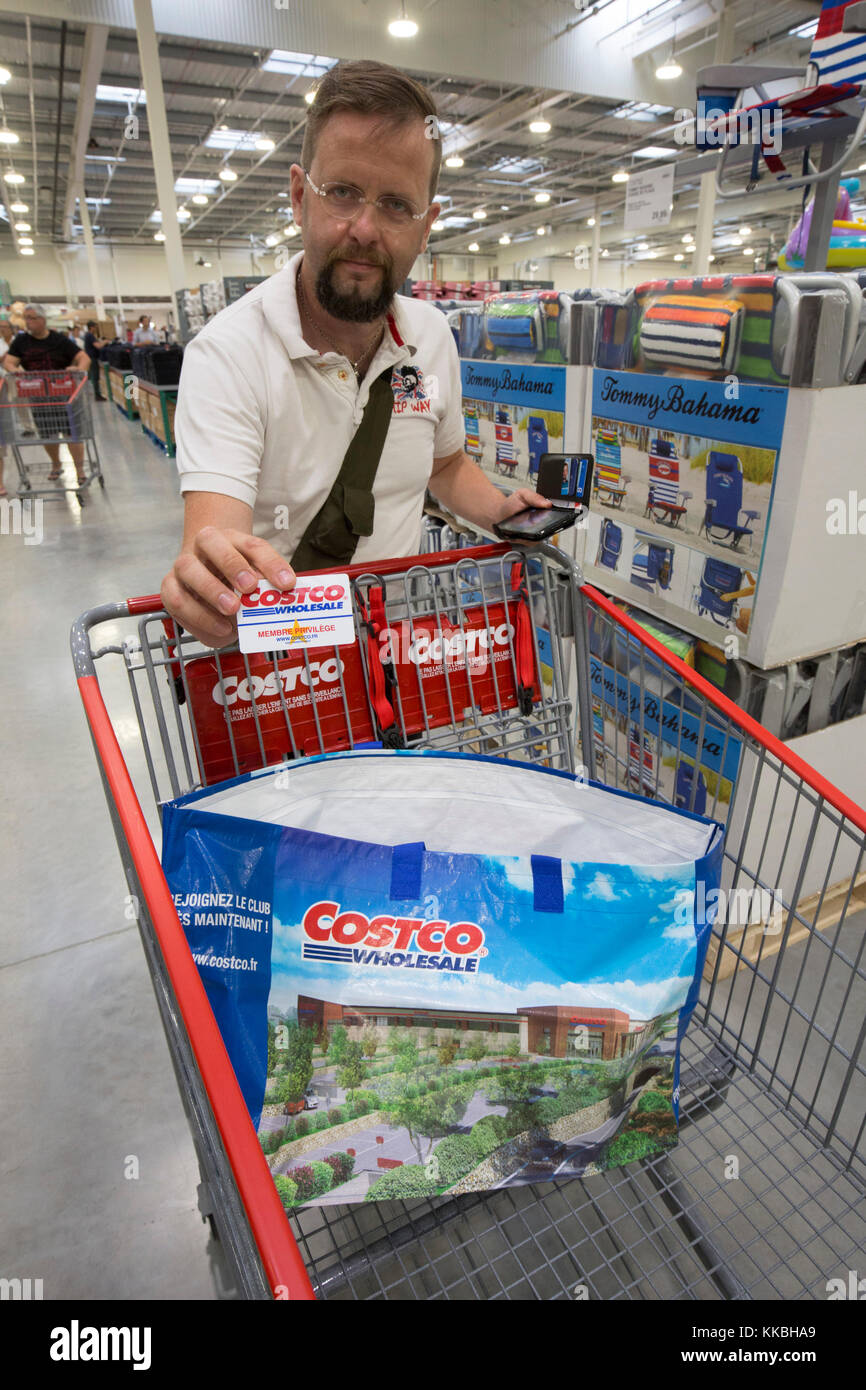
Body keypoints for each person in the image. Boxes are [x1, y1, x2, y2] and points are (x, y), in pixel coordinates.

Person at [162, 59, 548, 649]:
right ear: (299, 197)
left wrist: (501, 512)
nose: (365, 228)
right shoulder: (228, 355)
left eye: (397, 204)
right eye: (342, 193)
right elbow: (215, 532)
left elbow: (443, 466)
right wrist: (213, 576)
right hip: (278, 668)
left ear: (426, 228)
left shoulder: (431, 337)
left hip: (390, 646)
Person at [4, 303, 92, 484]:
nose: (28, 322)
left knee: (72, 433)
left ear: (42, 320)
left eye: (32, 318)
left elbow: (84, 358)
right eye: (26, 318)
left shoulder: (59, 340)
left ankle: (79, 470)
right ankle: (56, 463)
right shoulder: (21, 342)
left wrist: (77, 370)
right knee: (47, 433)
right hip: (38, 394)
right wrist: (15, 370)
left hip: (65, 393)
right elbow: (8, 361)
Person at [83, 320, 107, 400]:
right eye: (95, 327)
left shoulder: (89, 335)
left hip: (91, 358)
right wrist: (105, 342)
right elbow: (98, 346)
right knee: (95, 377)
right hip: (92, 359)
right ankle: (97, 395)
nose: (96, 328)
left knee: (94, 377)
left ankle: (97, 394)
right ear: (91, 327)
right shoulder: (90, 335)